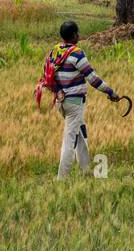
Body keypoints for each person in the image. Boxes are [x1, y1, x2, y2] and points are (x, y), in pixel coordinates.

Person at [49, 20, 120, 178]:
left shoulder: (55, 51)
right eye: (78, 33)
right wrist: (109, 91)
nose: (79, 35)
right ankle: (62, 178)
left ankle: (86, 169)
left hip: (60, 101)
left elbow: (48, 75)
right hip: (74, 103)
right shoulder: (76, 53)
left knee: (80, 131)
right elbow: (92, 78)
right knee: (69, 139)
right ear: (74, 35)